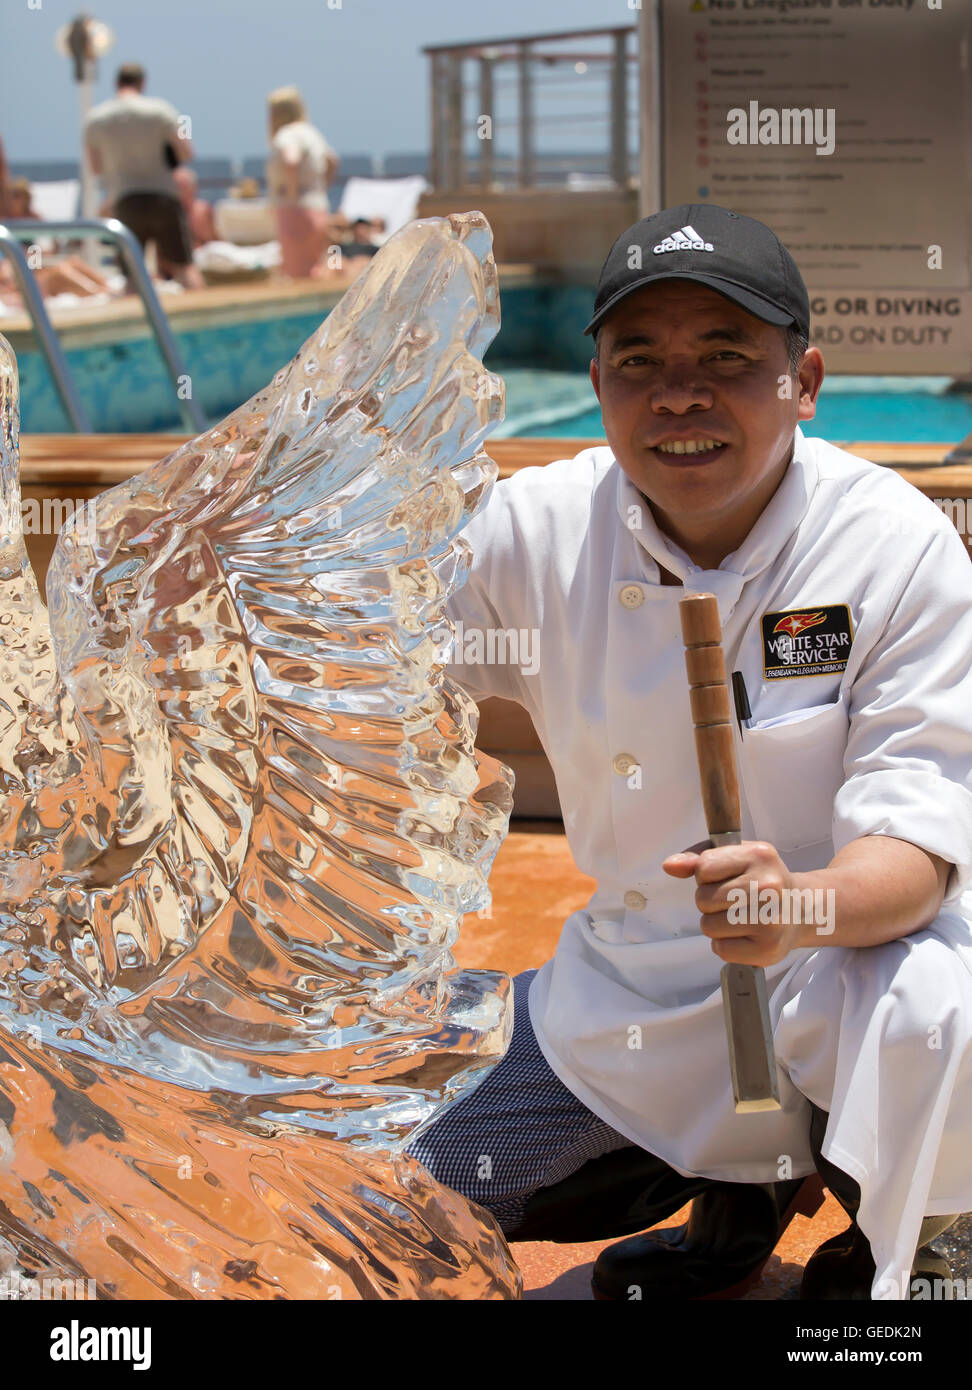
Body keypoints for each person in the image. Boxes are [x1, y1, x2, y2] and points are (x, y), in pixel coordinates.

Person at [405, 203, 972, 1302]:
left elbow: (919, 848)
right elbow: (357, 646)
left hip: (848, 973)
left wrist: (796, 903)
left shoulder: (895, 547)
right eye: (639, 361)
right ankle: (736, 1205)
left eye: (726, 358)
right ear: (600, 380)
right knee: (401, 1194)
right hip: (633, 993)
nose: (679, 396)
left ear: (802, 380)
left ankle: (923, 1242)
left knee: (933, 1010)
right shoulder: (534, 531)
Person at [84, 62, 204, 290]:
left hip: (125, 199)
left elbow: (96, 168)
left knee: (132, 275)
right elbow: (187, 151)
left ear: (116, 83)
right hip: (164, 196)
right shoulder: (160, 110)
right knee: (184, 268)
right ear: (142, 83)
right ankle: (207, 323)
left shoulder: (96, 118)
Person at [265, 86, 339, 278]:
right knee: (314, 268)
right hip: (317, 206)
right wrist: (322, 187)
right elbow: (333, 160)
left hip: (295, 210)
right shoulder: (311, 133)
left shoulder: (286, 134)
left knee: (296, 273)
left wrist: (291, 194)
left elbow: (291, 160)